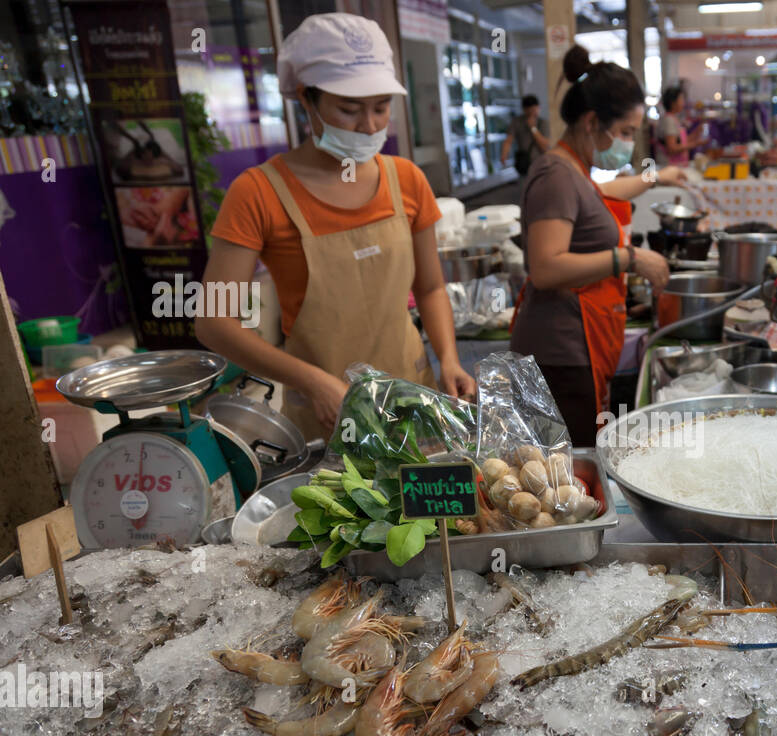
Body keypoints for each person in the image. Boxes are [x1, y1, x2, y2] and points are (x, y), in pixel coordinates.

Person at [197, 13, 474, 442]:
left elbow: (432, 288)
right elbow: (214, 321)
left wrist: (449, 359)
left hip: (414, 397)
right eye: (349, 108)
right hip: (326, 416)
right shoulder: (256, 193)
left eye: (381, 107)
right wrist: (311, 380)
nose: (369, 126)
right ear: (307, 100)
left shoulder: (407, 181)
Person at [511, 44, 689, 445]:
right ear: (592, 122)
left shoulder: (574, 170)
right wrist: (628, 258)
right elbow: (546, 268)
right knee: (570, 474)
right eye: (625, 132)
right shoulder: (555, 174)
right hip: (560, 353)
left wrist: (658, 177)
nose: (628, 143)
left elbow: (602, 194)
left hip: (578, 345)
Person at [655, 85, 707, 166]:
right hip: (669, 165)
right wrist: (695, 144)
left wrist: (697, 132)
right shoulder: (669, 120)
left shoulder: (674, 118)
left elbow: (682, 140)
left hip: (677, 164)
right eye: (681, 99)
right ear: (673, 102)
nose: (683, 102)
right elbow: (672, 148)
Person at [501, 94, 550, 177]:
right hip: (524, 164)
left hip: (541, 164)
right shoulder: (517, 122)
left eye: (534, 110)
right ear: (524, 110)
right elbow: (509, 140)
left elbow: (545, 147)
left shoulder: (542, 123)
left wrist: (533, 128)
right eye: (529, 111)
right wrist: (504, 155)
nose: (532, 114)